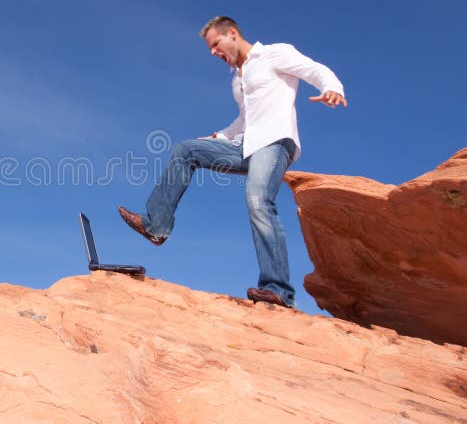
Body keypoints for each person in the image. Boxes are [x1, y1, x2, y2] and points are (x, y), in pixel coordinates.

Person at [118, 16, 347, 308]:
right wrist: (220, 136)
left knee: (258, 199)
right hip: (245, 145)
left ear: (233, 34)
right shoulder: (237, 81)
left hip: (275, 142)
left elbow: (314, 69)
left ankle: (278, 290)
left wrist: (332, 88)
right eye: (210, 48)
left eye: (216, 44)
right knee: (186, 150)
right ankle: (156, 225)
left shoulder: (274, 53)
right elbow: (244, 120)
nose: (214, 52)